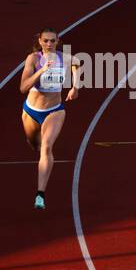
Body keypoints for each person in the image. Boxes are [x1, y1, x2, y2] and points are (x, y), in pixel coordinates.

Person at [18, 28, 80, 209]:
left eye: (53, 41)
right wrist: (42, 71)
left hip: (55, 110)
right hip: (31, 110)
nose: (49, 44)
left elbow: (78, 64)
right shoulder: (33, 59)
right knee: (34, 144)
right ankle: (35, 142)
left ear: (58, 41)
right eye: (46, 41)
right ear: (40, 41)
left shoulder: (64, 58)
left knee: (46, 147)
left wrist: (75, 87)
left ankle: (40, 194)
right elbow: (23, 87)